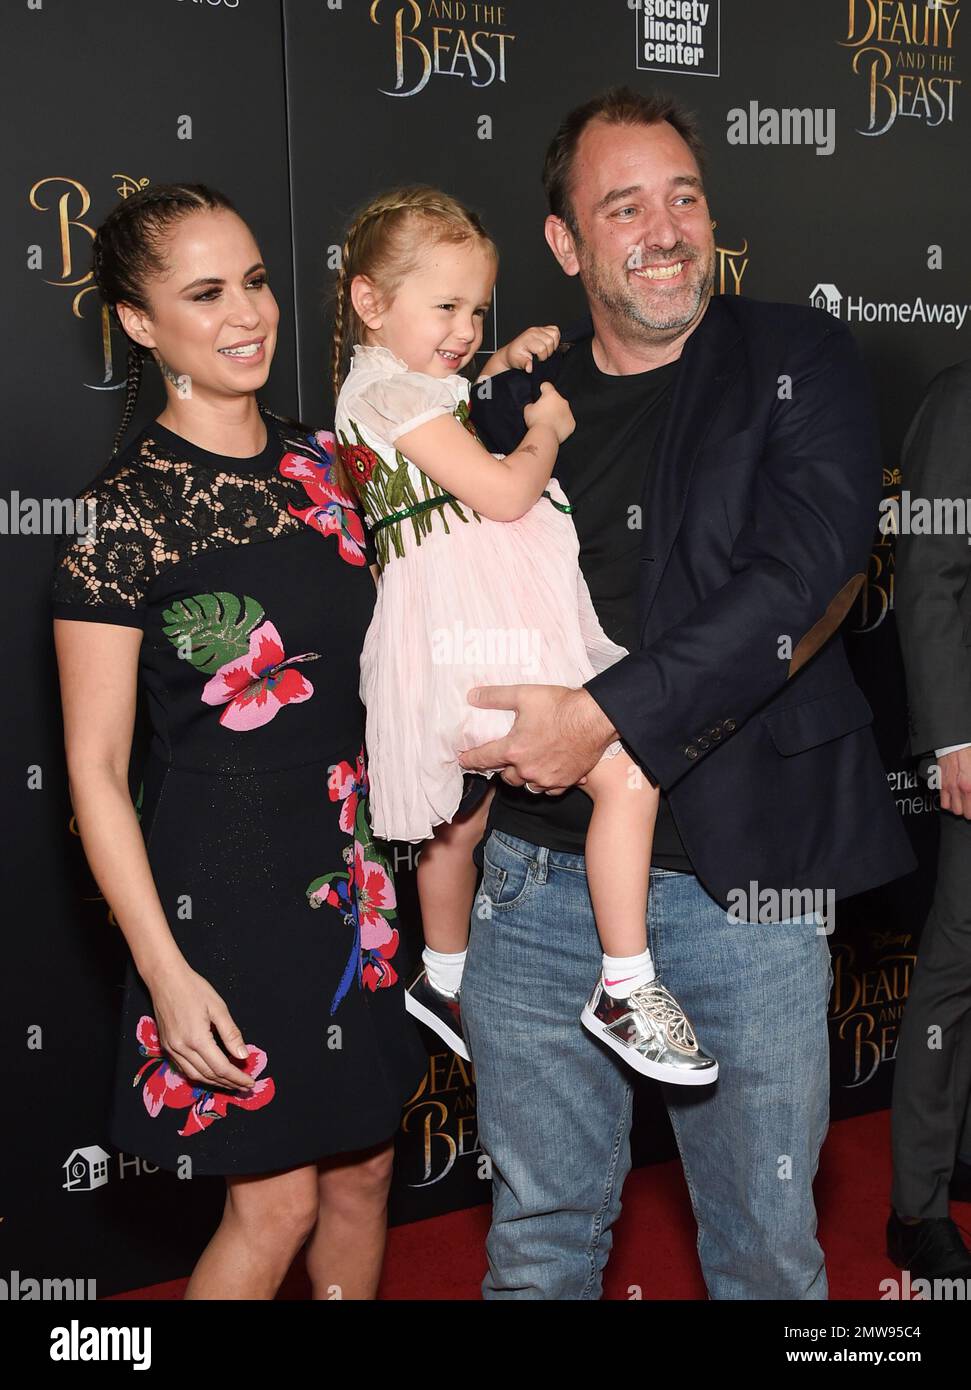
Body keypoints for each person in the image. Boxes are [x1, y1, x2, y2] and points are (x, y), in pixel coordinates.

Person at [457, 85, 918, 1300]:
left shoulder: (794, 355)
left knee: (764, 1249)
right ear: (564, 245)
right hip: (530, 884)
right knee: (538, 1239)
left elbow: (803, 566)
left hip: (741, 888)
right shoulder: (507, 408)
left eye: (683, 197)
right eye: (623, 207)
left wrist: (596, 718)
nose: (663, 230)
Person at [51, 183, 426, 1300]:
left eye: (256, 281)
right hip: (224, 893)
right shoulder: (120, 516)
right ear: (136, 321)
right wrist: (164, 972)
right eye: (205, 292)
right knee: (274, 1205)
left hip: (351, 876)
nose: (246, 313)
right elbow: (92, 771)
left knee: (363, 1173)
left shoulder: (330, 469)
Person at [329, 185, 716, 1085]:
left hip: (459, 627)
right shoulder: (388, 392)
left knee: (460, 819)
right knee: (625, 770)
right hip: (470, 634)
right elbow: (502, 492)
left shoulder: (391, 383)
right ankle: (624, 984)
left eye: (475, 310)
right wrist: (542, 431)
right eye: (444, 308)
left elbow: (448, 399)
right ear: (369, 302)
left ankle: (444, 975)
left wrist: (503, 357)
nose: (463, 329)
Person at [889, 358, 971, 1279]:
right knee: (955, 970)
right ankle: (916, 1209)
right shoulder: (959, 399)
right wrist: (952, 733)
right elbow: (929, 574)